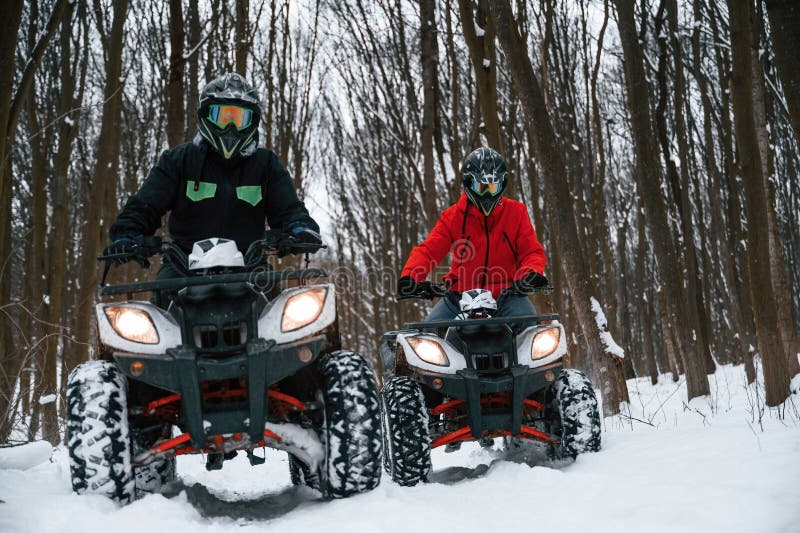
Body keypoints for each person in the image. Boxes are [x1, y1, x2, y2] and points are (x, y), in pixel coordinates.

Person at [103, 72, 321, 278]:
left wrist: (300, 230)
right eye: (223, 116)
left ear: (252, 122)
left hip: (251, 269)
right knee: (152, 315)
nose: (231, 126)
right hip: (182, 270)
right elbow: (144, 207)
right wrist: (127, 236)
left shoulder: (265, 165)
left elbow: (289, 211)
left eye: (239, 118)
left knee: (286, 314)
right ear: (207, 116)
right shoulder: (179, 160)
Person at [397, 147, 548, 321]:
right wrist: (410, 276)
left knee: (532, 329)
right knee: (429, 334)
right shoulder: (453, 217)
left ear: (502, 185)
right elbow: (428, 250)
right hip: (460, 296)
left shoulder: (516, 212)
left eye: (492, 187)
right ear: (468, 183)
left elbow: (531, 252)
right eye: (481, 186)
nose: (487, 193)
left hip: (507, 295)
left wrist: (531, 273)